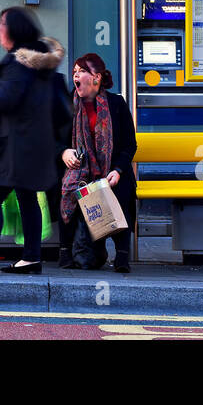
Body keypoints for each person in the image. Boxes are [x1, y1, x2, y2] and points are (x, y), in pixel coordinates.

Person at [0, 7, 68, 275]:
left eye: (1, 25)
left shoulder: (18, 64)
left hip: (13, 145)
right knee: (27, 197)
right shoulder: (40, 62)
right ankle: (31, 258)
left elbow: (5, 101)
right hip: (32, 142)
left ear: (14, 30)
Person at [59, 53, 137, 273]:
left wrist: (119, 170)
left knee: (121, 190)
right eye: (74, 71)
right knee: (68, 186)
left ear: (96, 77)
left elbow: (130, 145)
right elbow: (54, 139)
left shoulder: (116, 104)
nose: (76, 75)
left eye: (81, 71)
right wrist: (64, 151)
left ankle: (122, 255)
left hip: (110, 169)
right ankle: (65, 250)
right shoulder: (67, 103)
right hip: (80, 168)